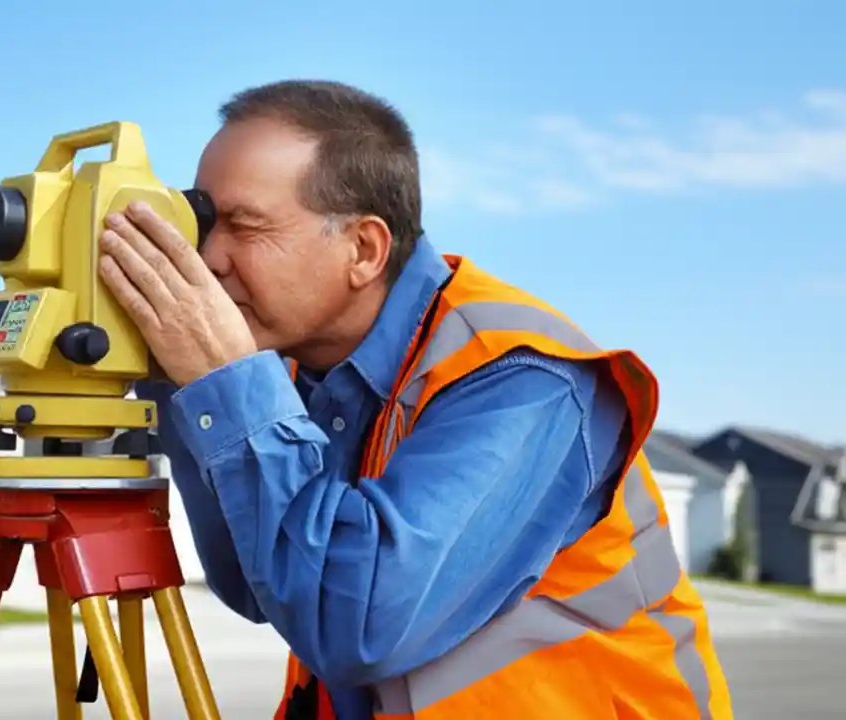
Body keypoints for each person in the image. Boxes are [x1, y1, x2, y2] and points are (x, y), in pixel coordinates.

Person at [96, 79, 733, 719]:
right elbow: (260, 586)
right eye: (205, 222)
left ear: (364, 250)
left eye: (244, 226)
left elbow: (355, 623)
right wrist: (182, 383)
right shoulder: (298, 374)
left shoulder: (522, 381)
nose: (208, 257)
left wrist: (228, 390)